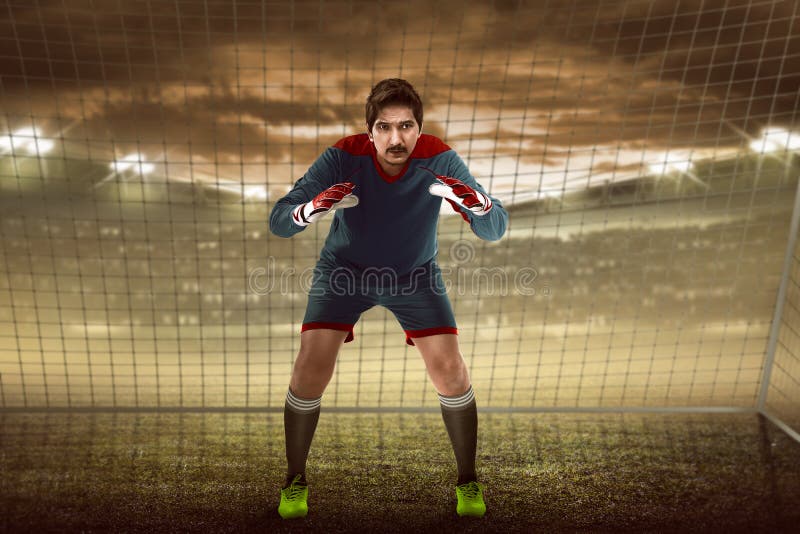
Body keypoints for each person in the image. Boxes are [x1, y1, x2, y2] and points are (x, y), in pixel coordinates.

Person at [268, 78, 508, 519]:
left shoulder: (439, 157)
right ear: (369, 130)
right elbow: (280, 221)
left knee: (451, 371)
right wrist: (309, 210)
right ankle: (294, 479)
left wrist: (479, 206)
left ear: (419, 128)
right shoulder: (343, 155)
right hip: (344, 273)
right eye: (384, 127)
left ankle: (468, 480)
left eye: (406, 126)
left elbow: (496, 228)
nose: (395, 138)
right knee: (309, 368)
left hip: (415, 274)